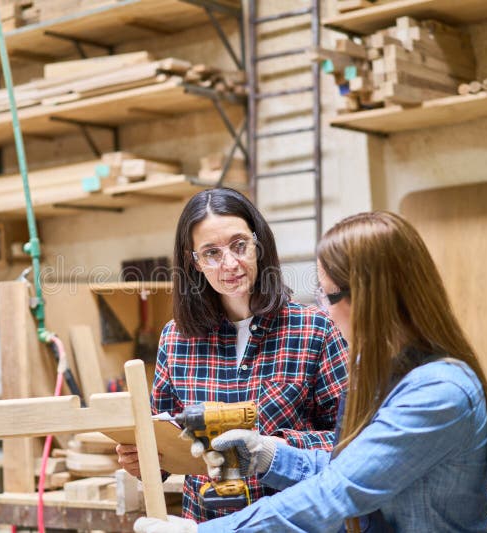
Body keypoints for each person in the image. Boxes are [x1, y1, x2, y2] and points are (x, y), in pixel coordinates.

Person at [135, 210, 487, 532]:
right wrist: (267, 456)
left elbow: (339, 488)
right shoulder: (385, 373)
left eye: (331, 296)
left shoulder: (437, 394)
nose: (326, 310)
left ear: (373, 296)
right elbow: (350, 462)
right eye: (321, 296)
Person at [115, 188, 349, 522]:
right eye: (211, 253)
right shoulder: (176, 338)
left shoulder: (315, 329)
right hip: (206, 524)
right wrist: (143, 459)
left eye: (240, 245)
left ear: (259, 244)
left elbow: (351, 441)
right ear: (194, 262)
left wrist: (271, 447)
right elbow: (161, 438)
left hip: (292, 523)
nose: (230, 264)